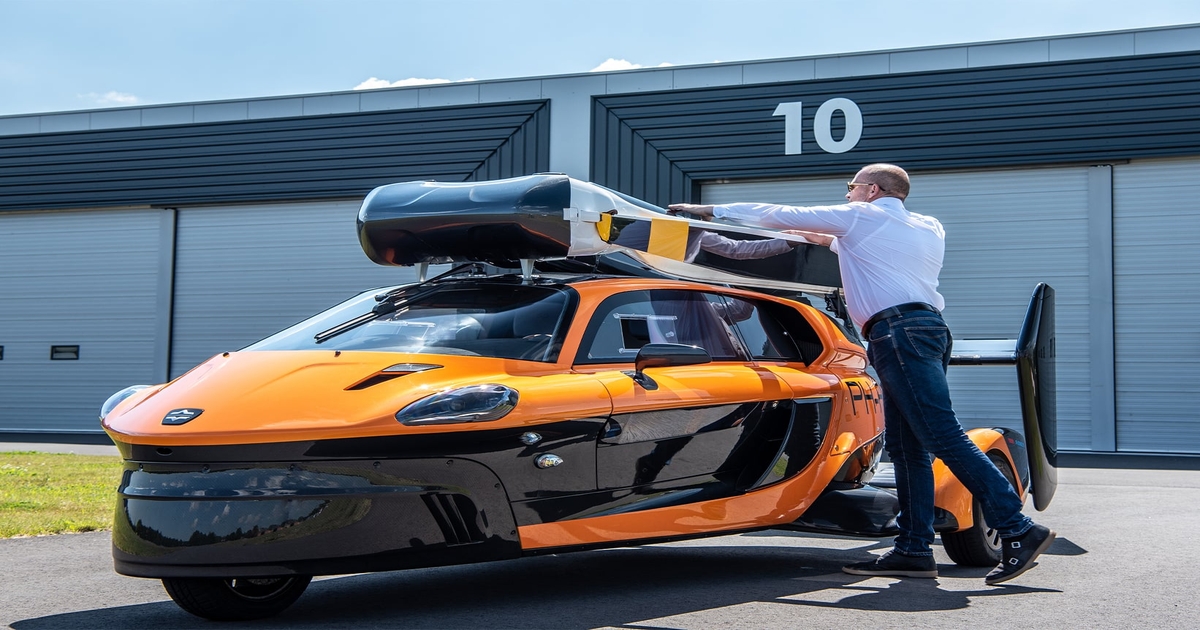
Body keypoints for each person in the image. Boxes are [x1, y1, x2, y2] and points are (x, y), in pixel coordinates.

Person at [668, 163, 1055, 585]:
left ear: (871, 190)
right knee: (908, 449)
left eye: (851, 187)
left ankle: (1018, 528)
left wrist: (706, 212)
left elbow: (779, 213)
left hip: (899, 334)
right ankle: (913, 549)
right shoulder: (927, 227)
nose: (847, 194)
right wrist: (808, 238)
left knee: (941, 435)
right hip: (925, 330)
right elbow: (826, 240)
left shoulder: (862, 217)